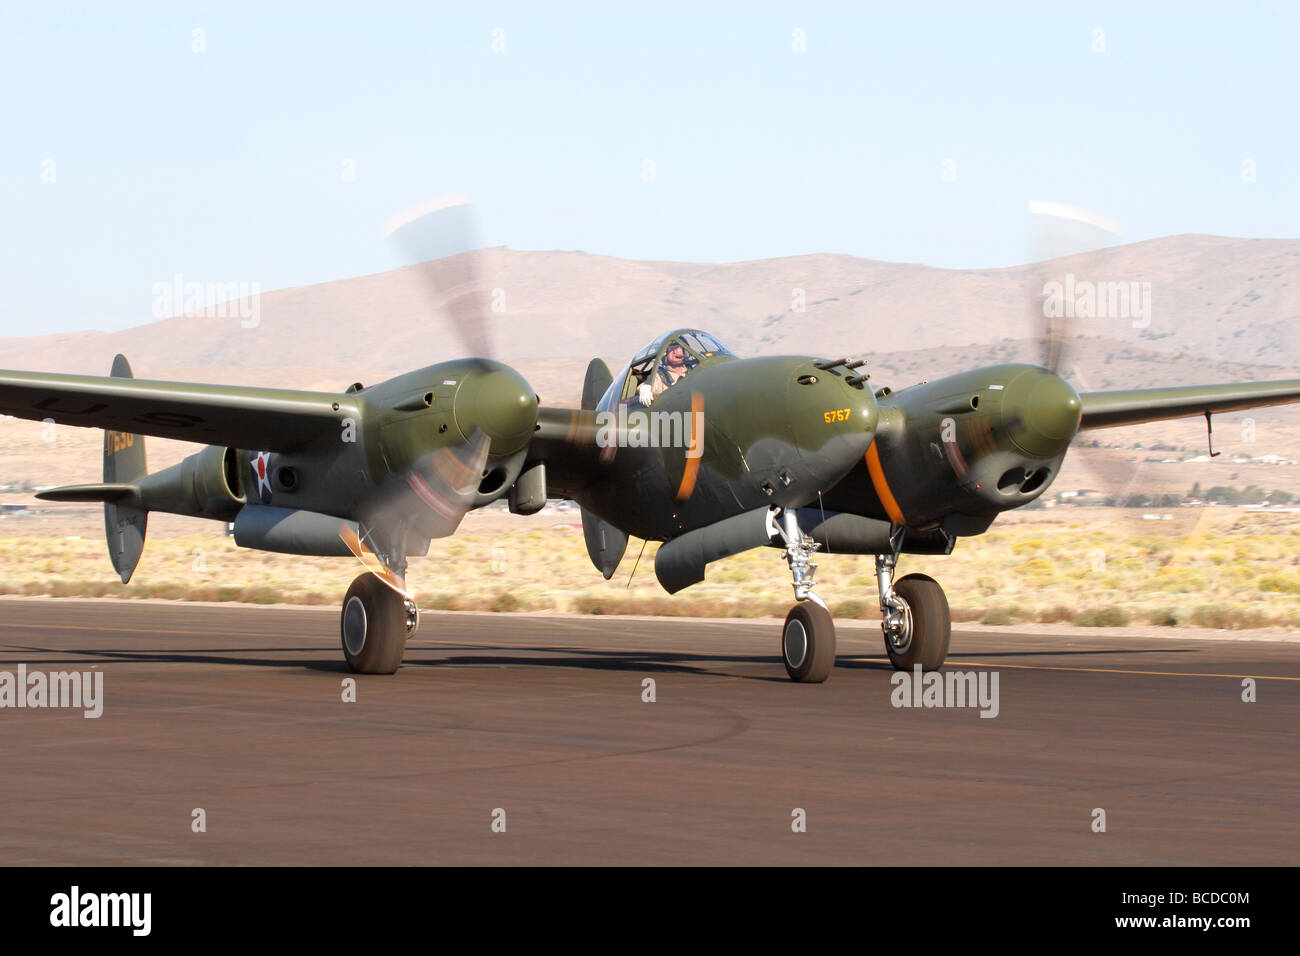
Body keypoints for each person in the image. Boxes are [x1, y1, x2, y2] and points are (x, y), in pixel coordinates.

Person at [637, 341, 692, 406]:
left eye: (678, 347)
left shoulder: (693, 371)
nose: (675, 351)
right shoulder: (660, 376)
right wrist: (643, 388)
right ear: (666, 354)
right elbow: (648, 386)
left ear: (684, 352)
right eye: (671, 349)